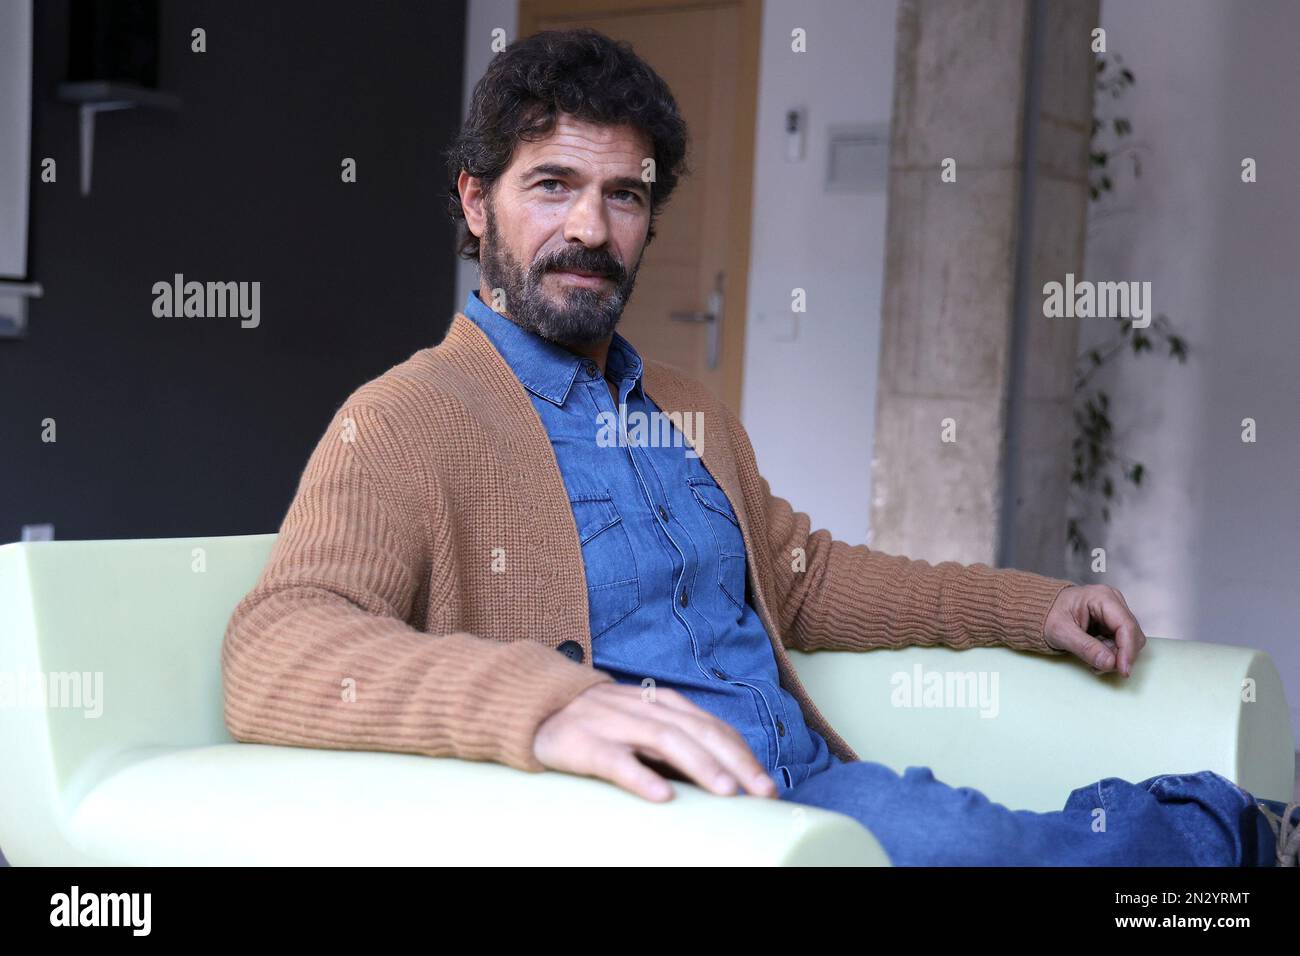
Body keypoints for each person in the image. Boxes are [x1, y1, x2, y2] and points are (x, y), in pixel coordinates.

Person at [222, 27, 1297, 866]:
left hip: (813, 787)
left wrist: (1031, 606)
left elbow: (808, 578)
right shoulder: (409, 414)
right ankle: (1228, 833)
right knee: (974, 844)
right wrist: (545, 706)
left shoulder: (685, 405)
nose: (590, 229)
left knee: (975, 829)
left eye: (624, 195)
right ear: (475, 202)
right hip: (682, 826)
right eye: (551, 186)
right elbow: (275, 646)